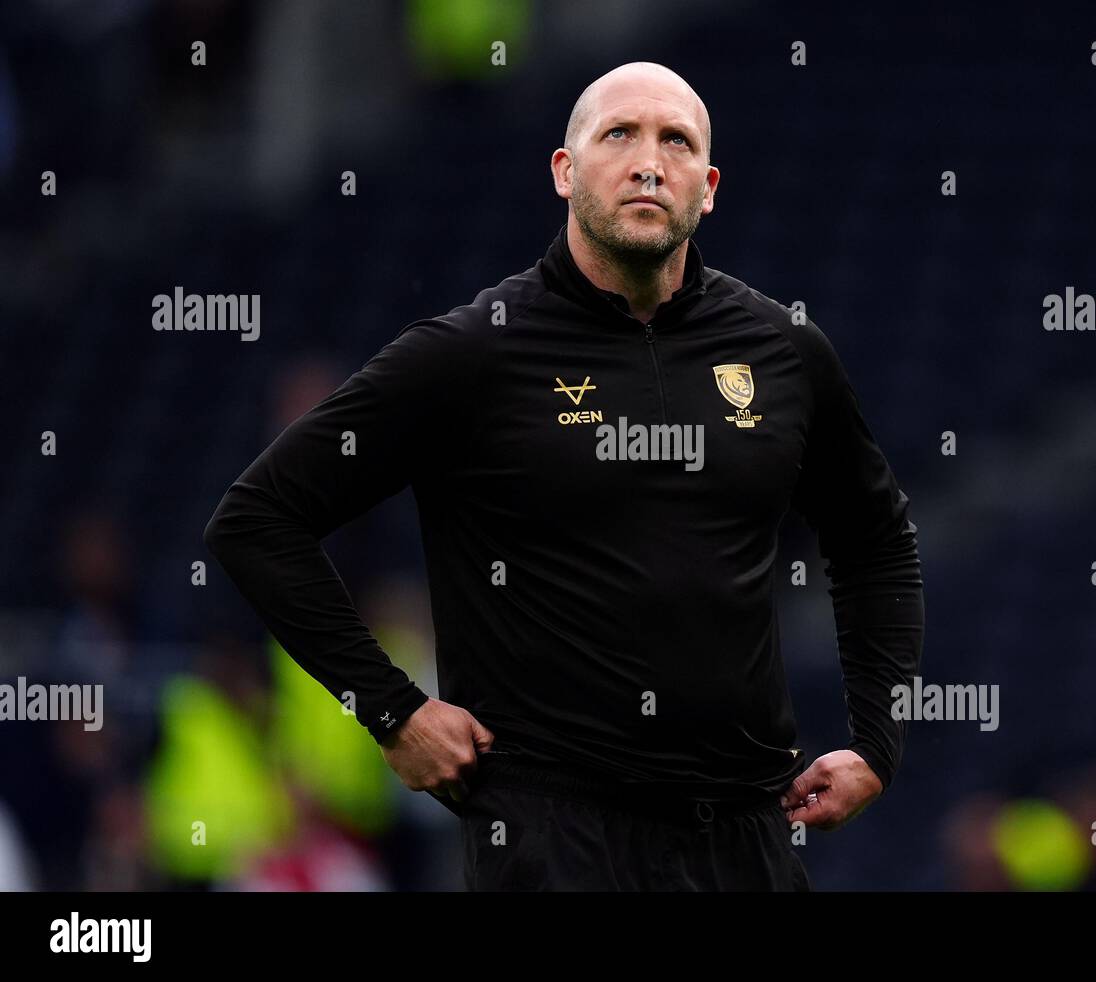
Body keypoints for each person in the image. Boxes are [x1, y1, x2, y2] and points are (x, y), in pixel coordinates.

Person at [204, 62, 925, 891]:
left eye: (676, 141)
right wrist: (393, 710)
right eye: (619, 134)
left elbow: (876, 541)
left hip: (747, 834)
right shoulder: (473, 352)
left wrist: (878, 742)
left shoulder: (784, 351)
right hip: (556, 839)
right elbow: (256, 520)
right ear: (565, 169)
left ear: (710, 186)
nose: (648, 161)